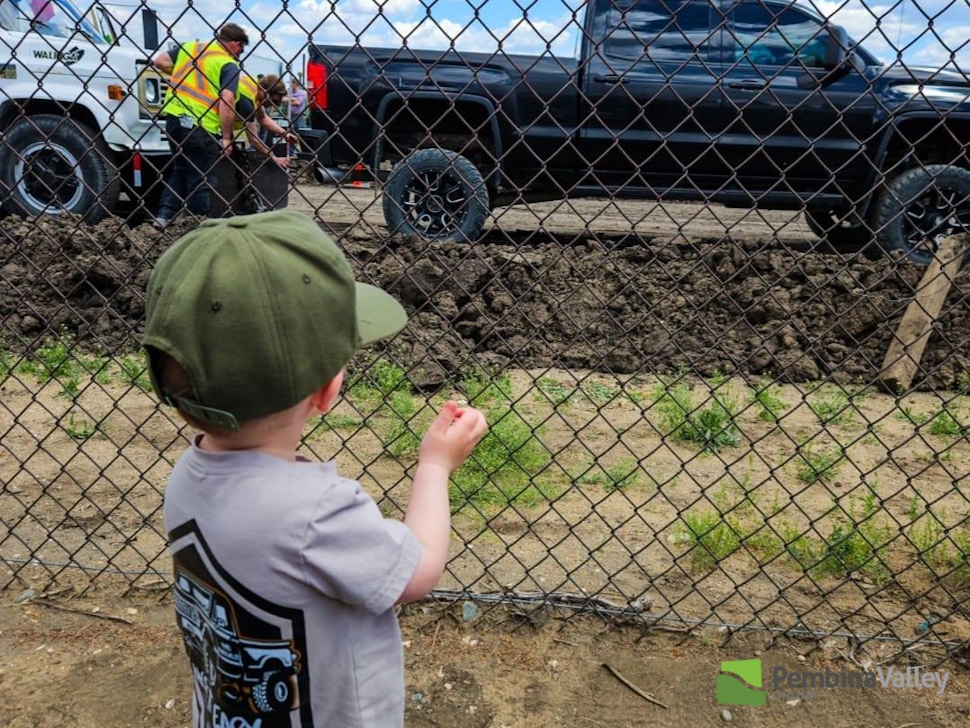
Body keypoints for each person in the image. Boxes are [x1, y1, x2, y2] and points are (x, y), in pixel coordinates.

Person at [142, 210, 488, 728]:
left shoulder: (186, 479)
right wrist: (435, 466)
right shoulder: (316, 513)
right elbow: (416, 574)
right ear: (328, 390)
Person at [149, 23, 249, 228]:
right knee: (201, 177)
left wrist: (182, 73)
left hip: (174, 118)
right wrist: (227, 137)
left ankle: (164, 216)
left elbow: (159, 62)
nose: (239, 54)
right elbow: (227, 98)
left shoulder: (191, 48)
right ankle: (199, 225)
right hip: (201, 125)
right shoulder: (227, 64)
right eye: (241, 50)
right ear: (236, 44)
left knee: (180, 169)